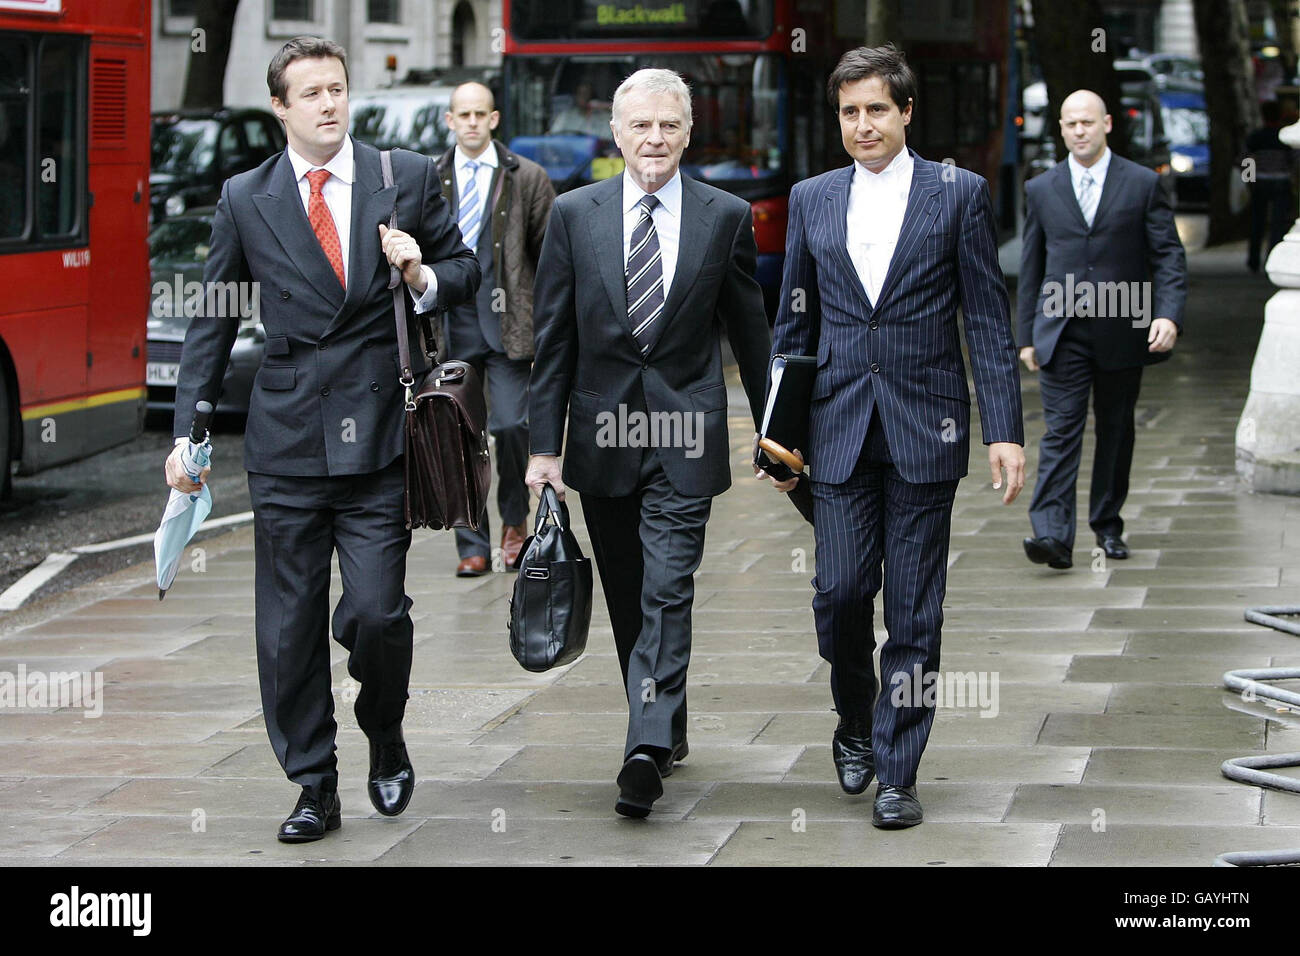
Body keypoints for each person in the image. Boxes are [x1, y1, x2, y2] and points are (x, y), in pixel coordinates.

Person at [164, 36, 479, 842]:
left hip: (380, 434)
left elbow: (464, 269)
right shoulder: (245, 195)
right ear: (281, 107)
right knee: (288, 625)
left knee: (377, 615)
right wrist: (188, 435)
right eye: (310, 93)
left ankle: (385, 728)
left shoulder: (399, 175)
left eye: (337, 88)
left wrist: (420, 276)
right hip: (288, 439)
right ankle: (313, 781)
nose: (329, 104)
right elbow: (214, 317)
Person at [762, 45, 1025, 829]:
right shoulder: (811, 197)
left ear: (907, 112)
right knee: (841, 593)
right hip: (835, 427)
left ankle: (898, 772)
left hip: (925, 428)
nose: (863, 124)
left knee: (914, 613)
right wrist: (777, 436)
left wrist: (1003, 431)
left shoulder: (959, 194)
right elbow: (793, 324)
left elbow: (984, 315)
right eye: (850, 111)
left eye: (877, 108)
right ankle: (854, 718)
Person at [526, 68, 771, 818]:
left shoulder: (726, 216)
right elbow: (553, 340)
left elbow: (751, 333)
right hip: (602, 436)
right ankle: (668, 718)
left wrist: (775, 429)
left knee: (669, 585)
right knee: (631, 598)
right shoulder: (573, 215)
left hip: (683, 434)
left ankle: (644, 744)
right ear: (618, 134)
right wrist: (543, 449)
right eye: (641, 126)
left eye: (669, 126)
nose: (655, 139)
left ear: (689, 133)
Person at [1019, 89, 1186, 570]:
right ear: (1061, 128)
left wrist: (1168, 313)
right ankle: (1052, 534)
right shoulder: (1042, 188)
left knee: (1115, 430)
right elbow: (1033, 265)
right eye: (1070, 124)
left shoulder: (1141, 183)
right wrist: (1027, 335)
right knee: (1060, 430)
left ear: (1107, 123)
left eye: (1087, 122)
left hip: (1122, 328)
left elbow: (1168, 254)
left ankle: (1108, 525)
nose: (1079, 131)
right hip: (1061, 330)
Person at [436, 82, 556, 576]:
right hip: (450, 328)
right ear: (449, 120)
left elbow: (551, 257)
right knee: (458, 436)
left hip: (510, 329)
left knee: (510, 426)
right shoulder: (429, 176)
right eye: (462, 114)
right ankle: (472, 543)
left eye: (479, 113)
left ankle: (513, 522)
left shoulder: (527, 177)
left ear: (494, 119)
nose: (470, 122)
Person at [1245, 99, 1296, 274]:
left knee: (1256, 223)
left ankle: (1253, 260)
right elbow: (1294, 162)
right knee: (1277, 224)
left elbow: (1247, 160)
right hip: (1281, 181)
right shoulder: (1284, 137)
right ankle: (1271, 260)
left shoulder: (1255, 137)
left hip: (1259, 182)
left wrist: (1249, 182)